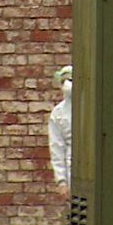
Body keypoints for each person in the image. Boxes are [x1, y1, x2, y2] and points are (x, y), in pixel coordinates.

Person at [48, 65, 73, 197]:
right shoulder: (58, 113)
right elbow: (56, 147)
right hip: (71, 169)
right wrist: (62, 181)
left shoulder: (92, 107)